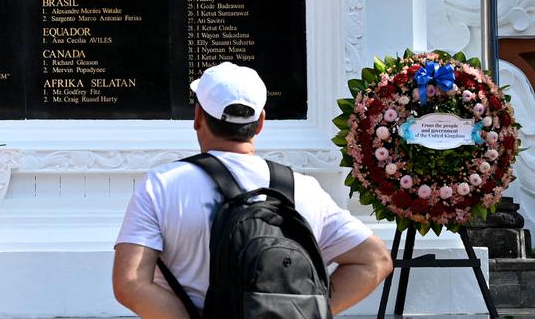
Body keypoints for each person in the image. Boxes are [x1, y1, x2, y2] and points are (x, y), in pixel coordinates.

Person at [112, 62, 394, 318]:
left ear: (198, 116)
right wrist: (304, 311)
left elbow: (131, 283)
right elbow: (375, 261)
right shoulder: (303, 189)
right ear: (260, 122)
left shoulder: (162, 186)